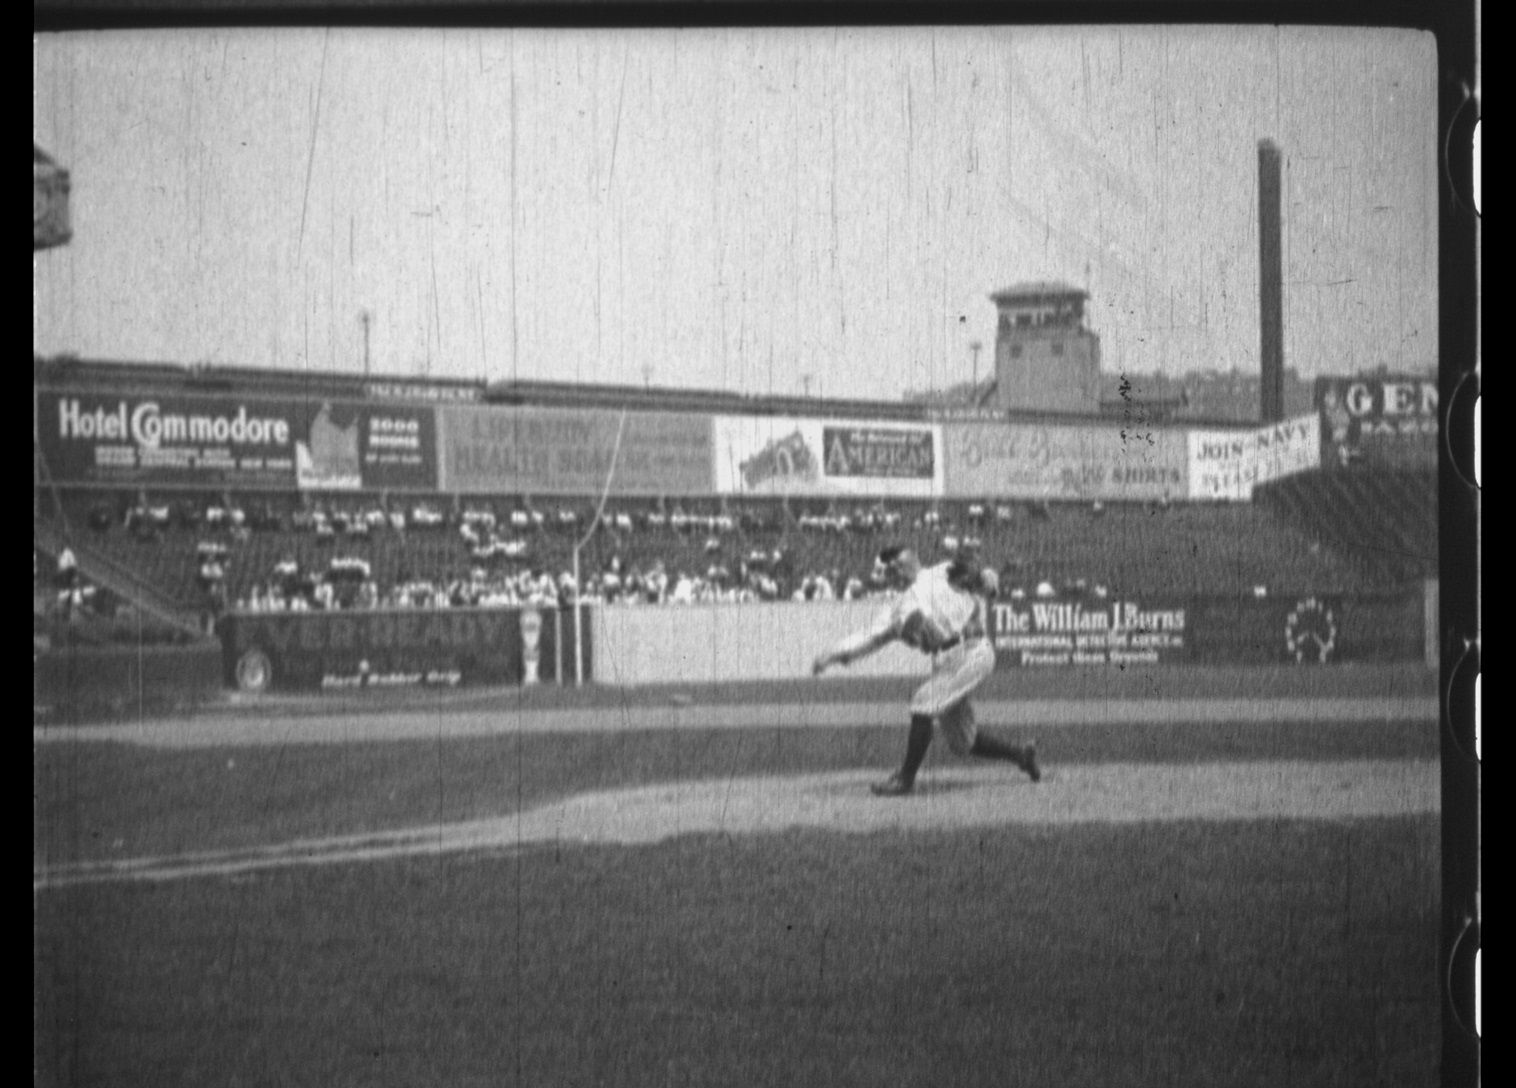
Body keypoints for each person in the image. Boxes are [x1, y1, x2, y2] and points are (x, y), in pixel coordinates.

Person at [812, 545, 1041, 796]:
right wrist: (832, 655)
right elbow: (868, 638)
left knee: (922, 702)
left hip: (972, 649)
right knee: (963, 742)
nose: (895, 570)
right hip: (946, 662)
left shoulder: (942, 571)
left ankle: (905, 780)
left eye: (898, 562)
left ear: (914, 557)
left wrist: (988, 580)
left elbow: (983, 582)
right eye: (890, 567)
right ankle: (1021, 755)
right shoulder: (896, 610)